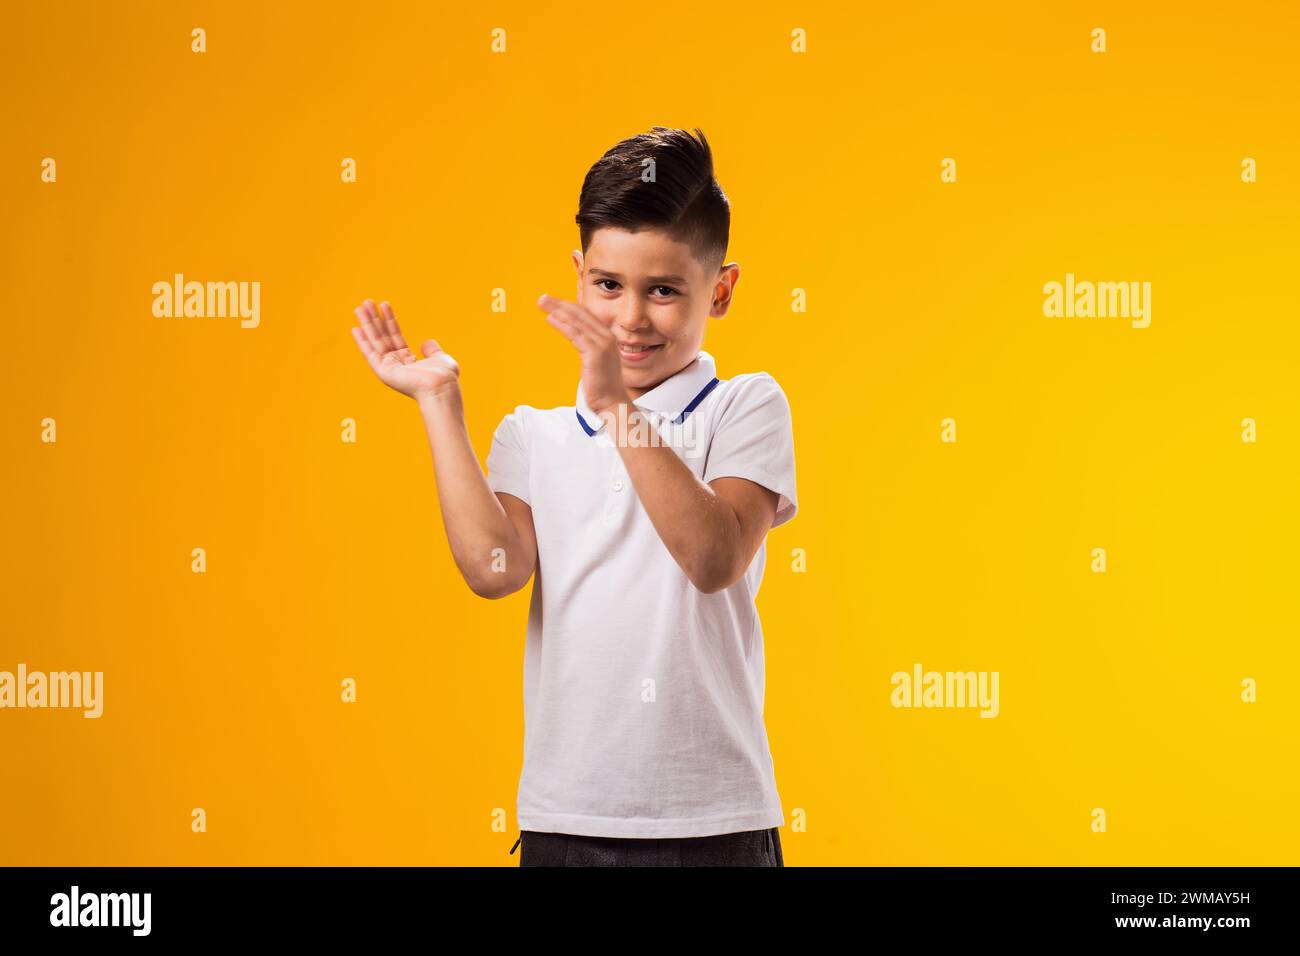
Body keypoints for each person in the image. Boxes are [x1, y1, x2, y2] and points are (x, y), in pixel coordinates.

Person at [350, 127, 797, 867]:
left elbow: (714, 556)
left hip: (714, 822)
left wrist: (616, 404)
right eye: (607, 285)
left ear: (719, 292)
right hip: (566, 820)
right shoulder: (534, 434)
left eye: (663, 291)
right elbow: (495, 571)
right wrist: (439, 403)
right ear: (578, 275)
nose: (629, 318)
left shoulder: (745, 405)